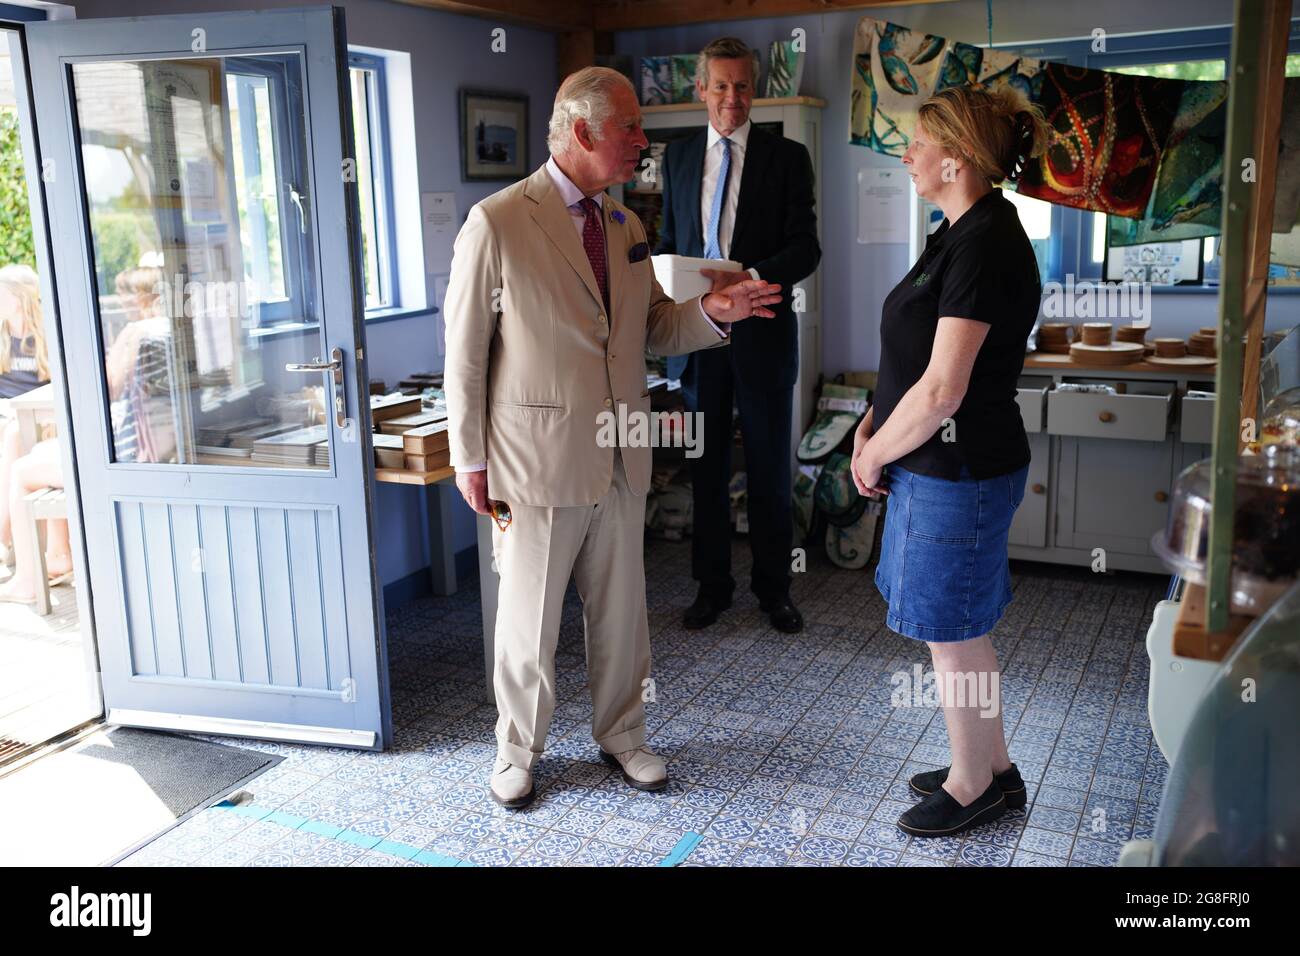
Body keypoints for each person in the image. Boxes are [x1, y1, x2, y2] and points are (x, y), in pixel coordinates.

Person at [444, 66, 781, 809]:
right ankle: (517, 751)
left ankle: (623, 735)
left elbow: (655, 330)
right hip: (534, 462)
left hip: (623, 451)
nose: (641, 139)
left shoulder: (626, 227)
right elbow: (465, 353)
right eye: (630, 127)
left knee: (622, 614)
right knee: (527, 622)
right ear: (585, 131)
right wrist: (469, 456)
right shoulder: (498, 221)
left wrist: (717, 312)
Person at [852, 84, 1050, 837]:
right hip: (938, 466)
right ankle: (993, 765)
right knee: (961, 627)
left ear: (958, 158)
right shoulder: (959, 230)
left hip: (958, 470)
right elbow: (914, 359)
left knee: (953, 631)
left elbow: (942, 392)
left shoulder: (987, 242)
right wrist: (874, 421)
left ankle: (973, 786)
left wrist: (871, 453)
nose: (906, 155)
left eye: (918, 143)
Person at [657, 37, 821, 634]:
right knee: (705, 470)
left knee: (770, 469)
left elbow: (806, 247)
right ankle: (712, 587)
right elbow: (668, 241)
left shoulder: (787, 157)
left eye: (743, 86)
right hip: (698, 337)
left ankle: (775, 590)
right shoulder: (675, 159)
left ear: (756, 89)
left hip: (763, 334)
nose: (732, 98)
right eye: (721, 86)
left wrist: (748, 280)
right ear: (700, 89)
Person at [0, 264, 55, 572]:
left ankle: (3, 539)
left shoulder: (47, 332)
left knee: (12, 436)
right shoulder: (1, 333)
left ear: (19, 298)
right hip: (5, 411)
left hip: (40, 415)